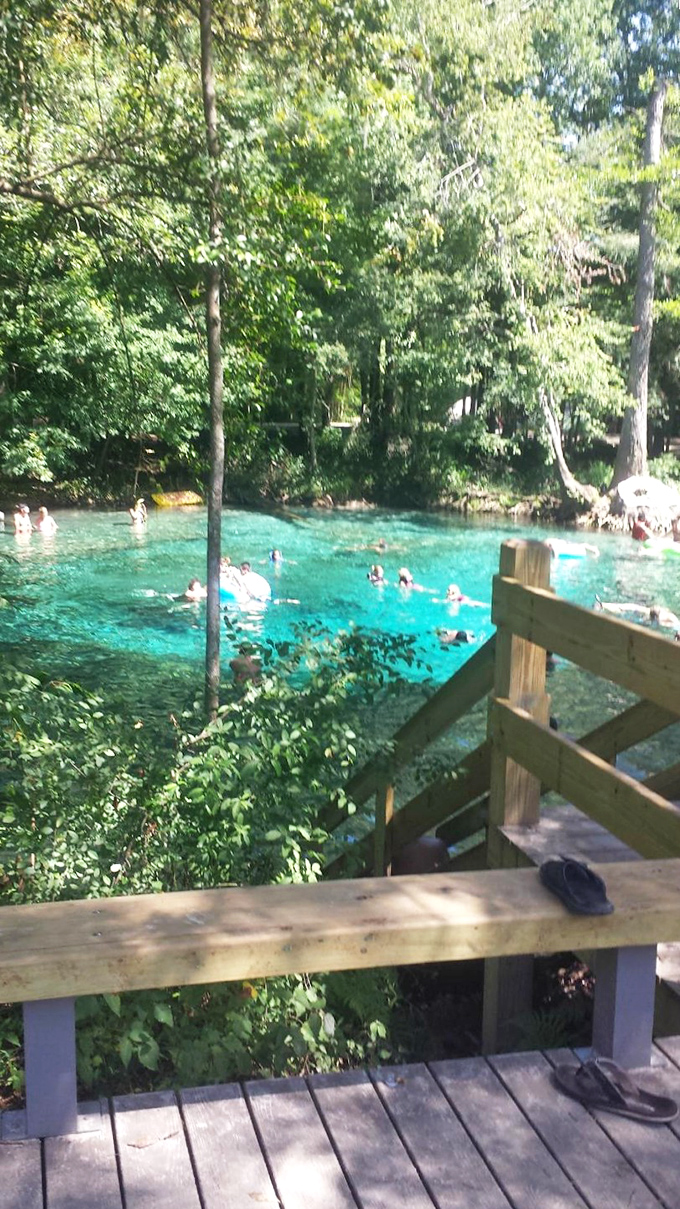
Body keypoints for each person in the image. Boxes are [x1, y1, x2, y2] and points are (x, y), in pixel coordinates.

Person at [595, 596, 680, 632]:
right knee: (629, 608)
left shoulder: (673, 621)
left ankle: (603, 605)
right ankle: (603, 605)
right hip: (654, 616)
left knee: (629, 609)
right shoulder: (673, 620)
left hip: (654, 616)